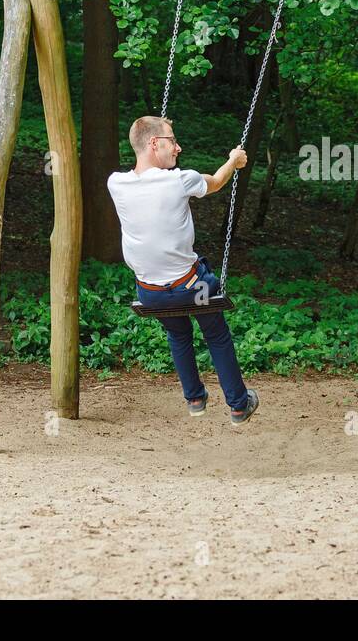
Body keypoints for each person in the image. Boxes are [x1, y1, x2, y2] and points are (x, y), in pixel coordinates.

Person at [107, 116, 259, 424]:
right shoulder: (179, 179)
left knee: (178, 335)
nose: (178, 147)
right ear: (154, 144)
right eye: (171, 140)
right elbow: (216, 182)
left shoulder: (116, 183)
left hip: (150, 295)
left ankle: (194, 398)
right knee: (215, 334)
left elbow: (145, 145)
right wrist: (233, 161)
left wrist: (156, 123)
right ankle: (239, 405)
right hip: (192, 290)